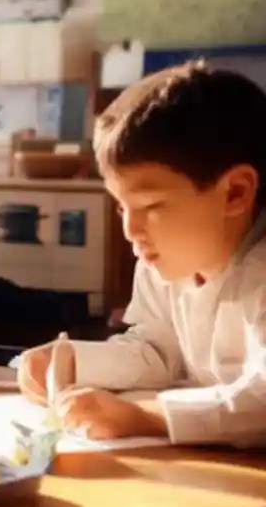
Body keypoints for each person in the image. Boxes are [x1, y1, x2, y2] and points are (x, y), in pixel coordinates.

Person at [16, 61, 266, 447]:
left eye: (151, 206)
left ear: (235, 193)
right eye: (121, 207)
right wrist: (70, 362)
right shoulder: (164, 264)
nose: (130, 230)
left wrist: (148, 416)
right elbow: (157, 351)